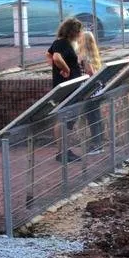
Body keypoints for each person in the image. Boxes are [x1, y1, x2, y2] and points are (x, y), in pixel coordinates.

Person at [46, 18, 84, 162]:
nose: (81, 33)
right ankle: (62, 152)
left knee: (68, 118)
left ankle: (65, 150)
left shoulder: (62, 43)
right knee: (64, 118)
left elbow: (48, 54)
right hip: (67, 86)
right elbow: (55, 57)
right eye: (79, 30)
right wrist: (65, 69)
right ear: (73, 31)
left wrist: (56, 68)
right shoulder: (62, 43)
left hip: (72, 85)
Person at [77, 30, 105, 154]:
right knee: (97, 117)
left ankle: (96, 145)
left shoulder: (84, 56)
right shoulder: (94, 55)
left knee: (92, 118)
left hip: (89, 91)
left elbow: (90, 72)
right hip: (98, 90)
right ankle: (99, 143)